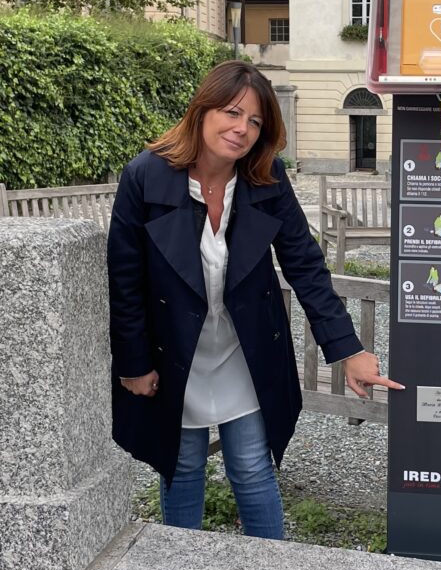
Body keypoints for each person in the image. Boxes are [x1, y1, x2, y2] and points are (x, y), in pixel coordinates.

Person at [107, 60, 403, 539]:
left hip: (241, 347)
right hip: (174, 348)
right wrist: (134, 363)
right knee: (181, 465)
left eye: (255, 121)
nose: (242, 129)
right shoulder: (145, 176)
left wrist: (347, 348)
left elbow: (304, 264)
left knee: (251, 465)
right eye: (232, 113)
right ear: (202, 110)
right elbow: (125, 279)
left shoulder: (266, 176)